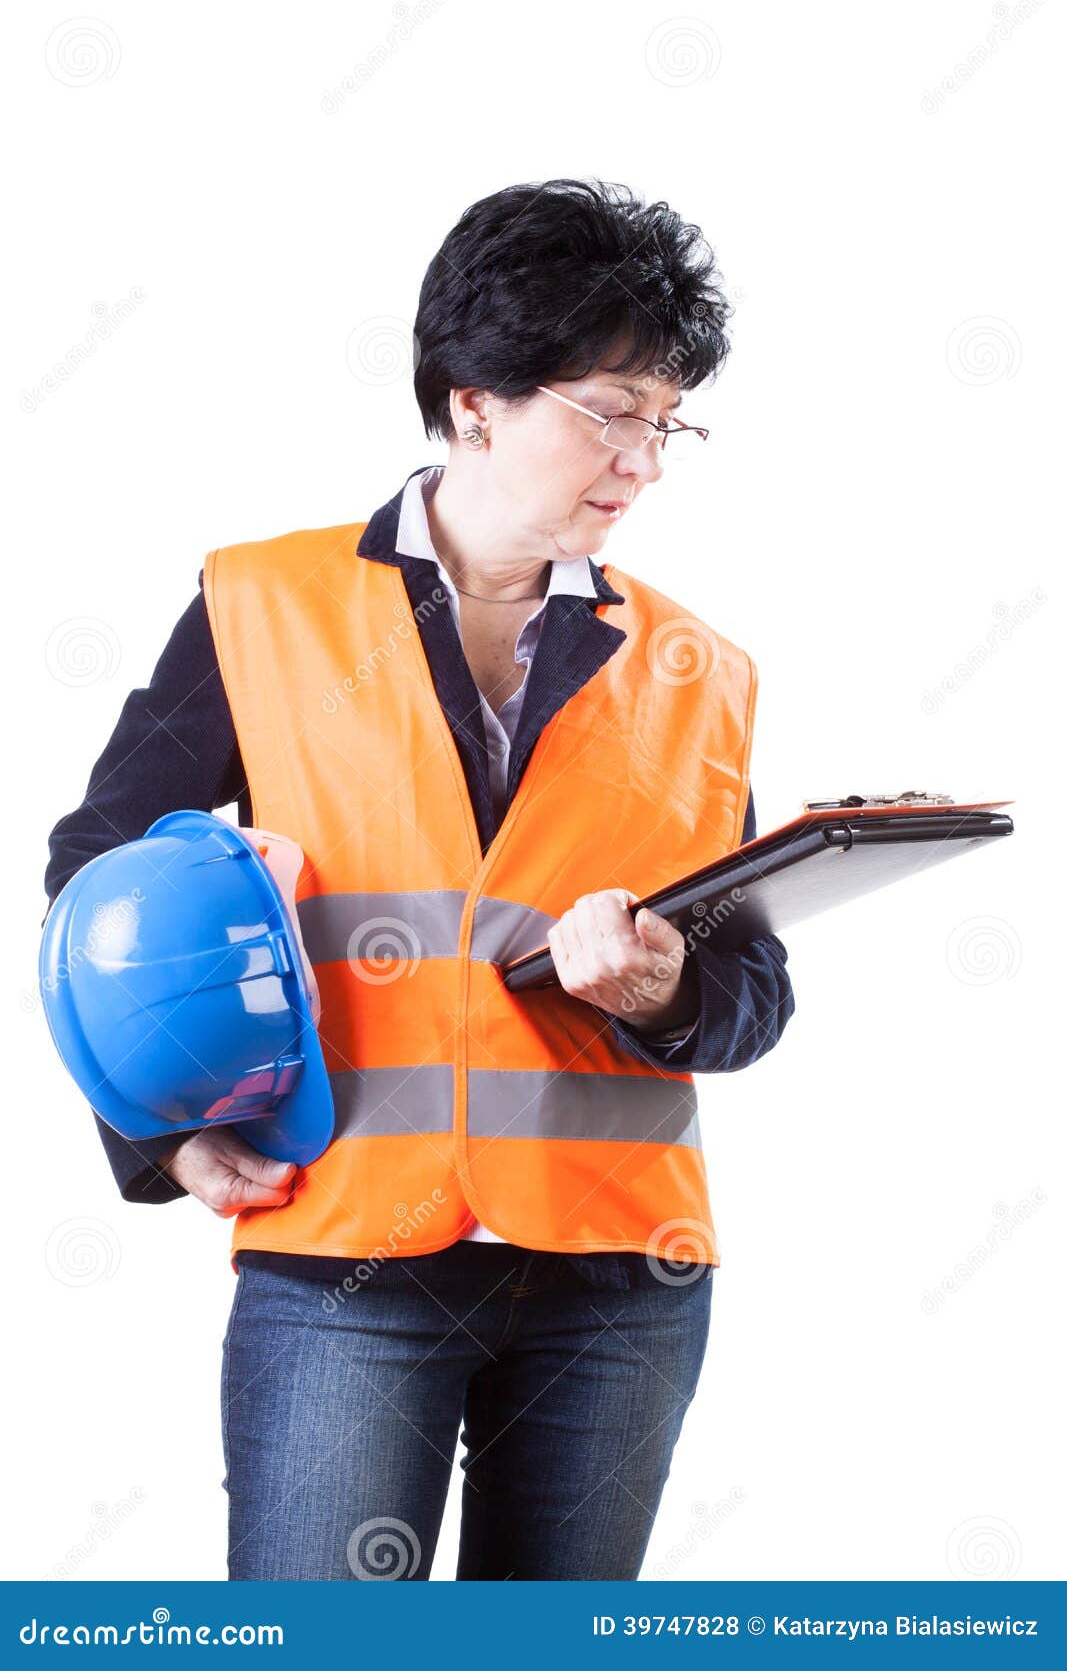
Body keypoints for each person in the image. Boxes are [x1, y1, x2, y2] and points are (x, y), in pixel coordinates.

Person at [42, 177, 796, 1582]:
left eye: (668, 418)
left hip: (620, 1283)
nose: (644, 457)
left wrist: (669, 983)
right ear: (473, 401)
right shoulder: (262, 605)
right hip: (345, 1271)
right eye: (611, 409)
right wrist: (164, 1133)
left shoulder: (699, 669)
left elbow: (753, 992)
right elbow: (100, 874)